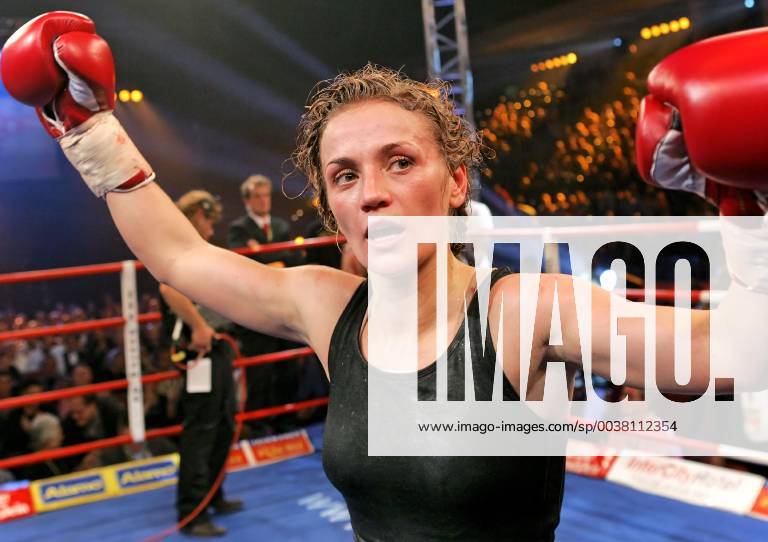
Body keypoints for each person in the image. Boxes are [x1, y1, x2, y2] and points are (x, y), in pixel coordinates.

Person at [3, 12, 768, 541]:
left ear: (456, 182)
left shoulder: (523, 312)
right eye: (344, 175)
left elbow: (729, 354)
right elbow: (180, 258)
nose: (372, 190)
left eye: (400, 162)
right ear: (335, 209)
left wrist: (752, 216)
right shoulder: (327, 305)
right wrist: (91, 131)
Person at [159, 190, 243, 537]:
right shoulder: (175, 247)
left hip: (217, 347)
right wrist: (198, 326)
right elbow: (168, 289)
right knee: (202, 428)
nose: (211, 228)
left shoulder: (197, 249)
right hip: (200, 350)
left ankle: (213, 494)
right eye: (208, 219)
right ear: (195, 215)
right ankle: (192, 512)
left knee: (223, 422)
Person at [227, 175, 302, 433]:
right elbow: (245, 265)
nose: (263, 200)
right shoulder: (238, 228)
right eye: (258, 196)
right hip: (256, 307)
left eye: (266, 195)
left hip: (285, 302)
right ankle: (257, 424)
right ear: (247, 200)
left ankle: (285, 419)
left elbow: (293, 258)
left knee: (288, 365)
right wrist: (273, 259)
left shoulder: (281, 226)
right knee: (260, 368)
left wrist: (263, 253)